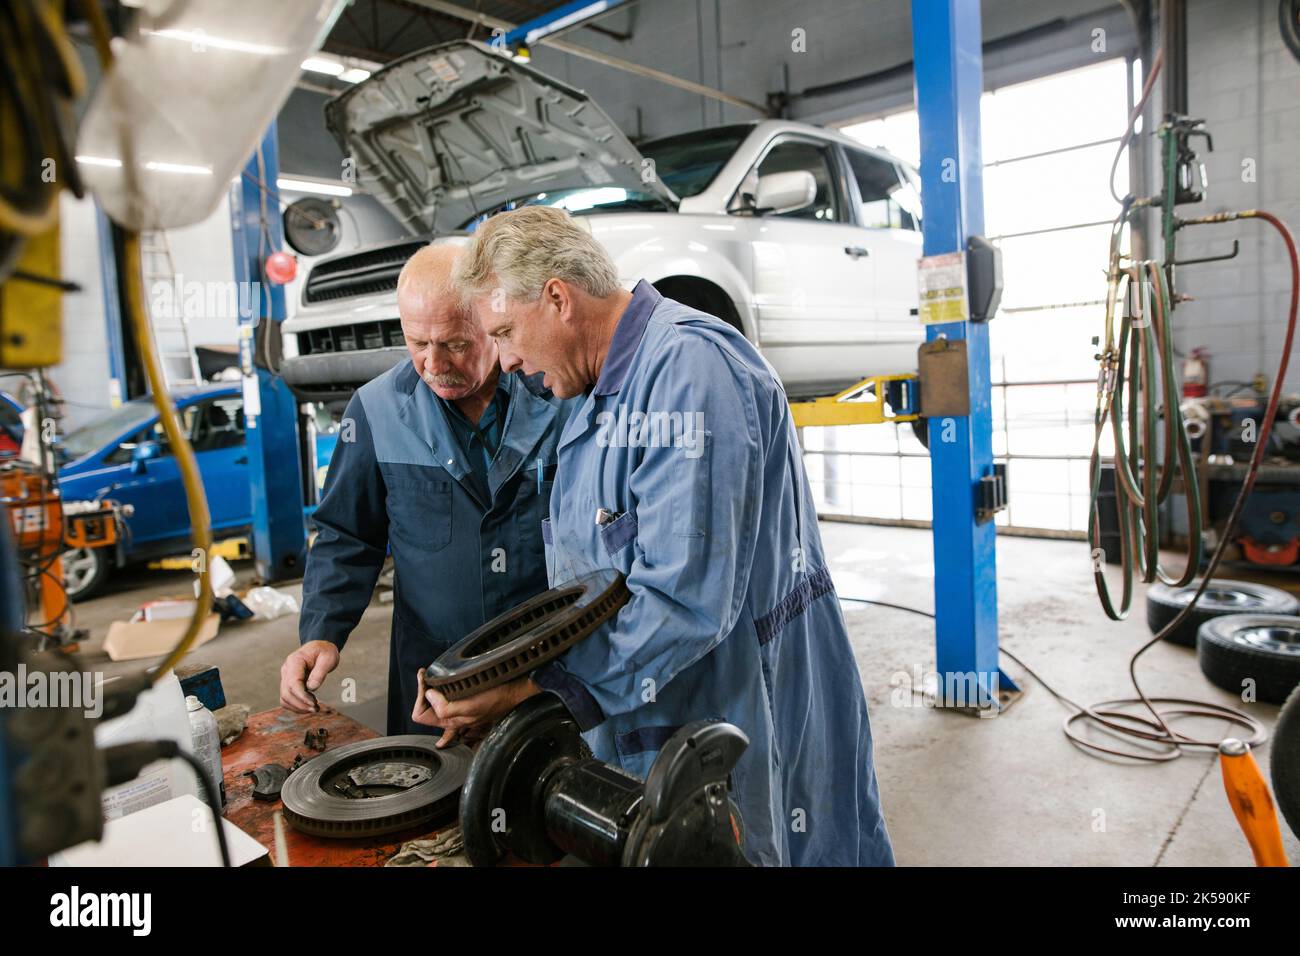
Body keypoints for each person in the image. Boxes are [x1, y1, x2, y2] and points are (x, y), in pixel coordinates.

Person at [415, 206, 894, 866]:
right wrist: (490, 672)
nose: (506, 358)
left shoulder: (689, 373)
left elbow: (684, 600)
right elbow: (582, 591)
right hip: (645, 707)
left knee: (760, 849)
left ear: (557, 298)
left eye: (503, 331)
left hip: (735, 705)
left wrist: (538, 692)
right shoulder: (584, 388)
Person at [279, 243, 576, 736]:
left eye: (455, 344)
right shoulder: (374, 411)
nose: (433, 363)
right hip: (432, 680)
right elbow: (347, 536)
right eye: (417, 343)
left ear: (492, 321)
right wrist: (322, 633)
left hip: (547, 672)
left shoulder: (560, 395)